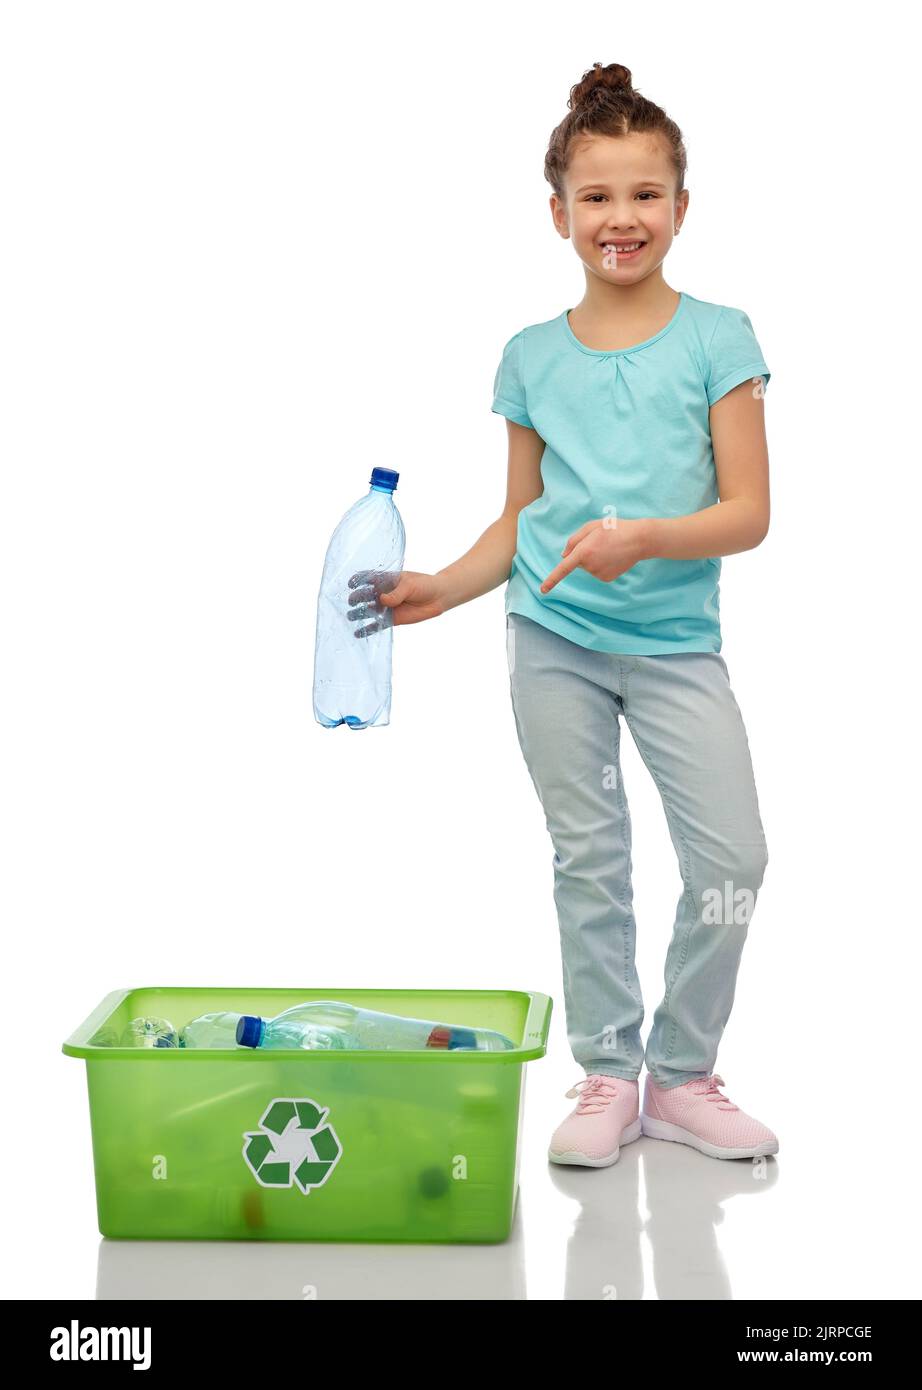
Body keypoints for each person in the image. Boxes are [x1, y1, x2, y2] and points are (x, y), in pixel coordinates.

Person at [375, 61, 778, 1168]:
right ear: (558, 213)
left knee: (731, 856)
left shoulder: (718, 339)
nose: (622, 218)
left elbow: (748, 513)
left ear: (681, 208)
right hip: (549, 643)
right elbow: (520, 518)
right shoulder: (530, 356)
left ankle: (682, 1075)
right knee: (588, 857)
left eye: (645, 194)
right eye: (597, 197)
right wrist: (444, 587)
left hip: (673, 648)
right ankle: (608, 1071)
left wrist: (641, 536)